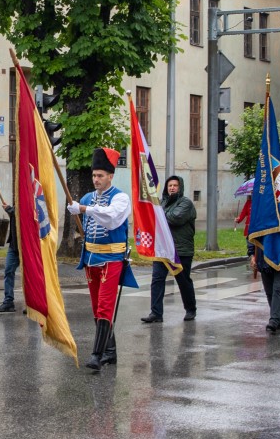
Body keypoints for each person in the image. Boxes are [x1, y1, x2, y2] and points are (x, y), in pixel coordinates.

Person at [68, 147, 134, 371]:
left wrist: (84, 209)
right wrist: (77, 211)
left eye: (100, 176)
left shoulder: (121, 198)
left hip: (112, 259)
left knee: (106, 307)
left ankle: (96, 355)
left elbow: (111, 219)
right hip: (91, 259)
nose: (96, 179)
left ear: (110, 176)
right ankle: (111, 352)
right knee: (97, 308)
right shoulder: (87, 197)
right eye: (94, 175)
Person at [142, 174, 196, 323]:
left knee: (183, 281)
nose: (172, 188)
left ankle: (191, 309)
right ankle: (156, 313)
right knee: (157, 279)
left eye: (175, 186)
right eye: (170, 185)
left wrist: (158, 213)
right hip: (162, 249)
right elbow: (152, 218)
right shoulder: (162, 202)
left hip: (181, 250)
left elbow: (175, 218)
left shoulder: (186, 203)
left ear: (180, 187)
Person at [255, 166, 280, 333]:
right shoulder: (260, 215)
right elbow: (253, 235)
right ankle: (277, 317)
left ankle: (273, 319)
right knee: (269, 291)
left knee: (278, 289)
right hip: (264, 257)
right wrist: (252, 254)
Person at [0, 202, 20, 312]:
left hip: (27, 246)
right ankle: (8, 302)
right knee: (8, 271)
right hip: (14, 244)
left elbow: (25, 214)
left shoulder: (32, 198)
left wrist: (10, 210)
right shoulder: (19, 200)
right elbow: (17, 214)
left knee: (29, 275)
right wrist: (10, 210)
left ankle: (32, 304)